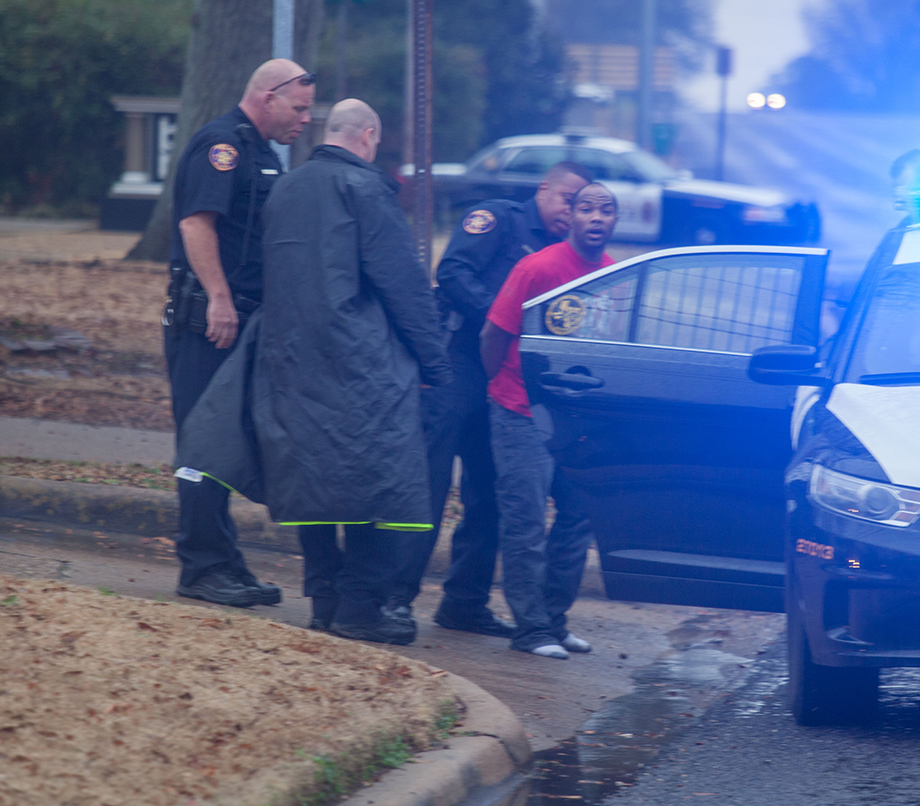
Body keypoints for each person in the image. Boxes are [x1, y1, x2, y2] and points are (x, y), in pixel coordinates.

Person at [177, 99, 452, 645]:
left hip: (290, 356)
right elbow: (403, 287)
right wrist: (437, 365)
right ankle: (360, 606)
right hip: (360, 363)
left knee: (313, 482)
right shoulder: (367, 189)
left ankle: (324, 600)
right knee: (373, 482)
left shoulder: (287, 187)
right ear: (368, 136)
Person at [388, 162, 592, 637]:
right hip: (456, 365)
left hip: (504, 380)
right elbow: (453, 273)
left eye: (581, 204)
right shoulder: (498, 220)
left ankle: (464, 602)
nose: (573, 210)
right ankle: (395, 598)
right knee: (430, 487)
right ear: (544, 189)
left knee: (490, 495)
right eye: (568, 199)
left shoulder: (563, 252)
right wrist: (501, 318)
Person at [163, 59, 315, 608]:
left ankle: (222, 560)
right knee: (202, 443)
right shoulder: (222, 145)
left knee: (225, 443)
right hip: (208, 320)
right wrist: (222, 300)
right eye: (298, 108)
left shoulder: (260, 153)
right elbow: (195, 223)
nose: (304, 120)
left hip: (240, 322)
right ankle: (200, 567)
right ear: (268, 96)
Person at [479, 182, 620, 658]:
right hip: (521, 412)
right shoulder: (537, 267)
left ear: (614, 221)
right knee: (526, 522)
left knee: (579, 515)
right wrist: (503, 388)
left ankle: (555, 621)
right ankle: (530, 630)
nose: (596, 217)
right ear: (572, 217)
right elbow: (493, 336)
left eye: (606, 210)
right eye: (587, 208)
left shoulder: (613, 277)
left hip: (576, 422)